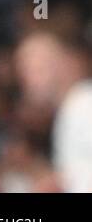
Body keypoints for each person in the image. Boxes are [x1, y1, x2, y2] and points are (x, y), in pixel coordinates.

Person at [15, 30, 92, 192]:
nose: (28, 81)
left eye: (37, 69)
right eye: (24, 72)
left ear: (64, 63)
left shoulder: (83, 104)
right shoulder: (71, 110)